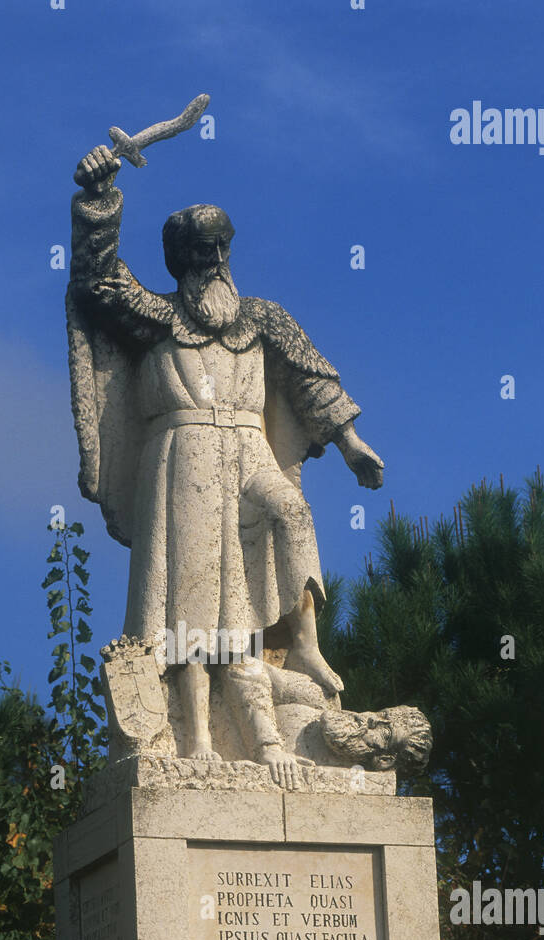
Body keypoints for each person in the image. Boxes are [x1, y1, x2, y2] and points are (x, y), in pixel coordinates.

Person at [67, 144, 385, 775]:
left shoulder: (262, 317)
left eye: (221, 250)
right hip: (182, 455)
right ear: (179, 260)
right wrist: (99, 203)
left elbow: (309, 375)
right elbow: (95, 281)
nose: (213, 263)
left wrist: (351, 443)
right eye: (200, 253)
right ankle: (196, 723)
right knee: (190, 593)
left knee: (292, 509)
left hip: (248, 446)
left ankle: (305, 645)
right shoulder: (153, 316)